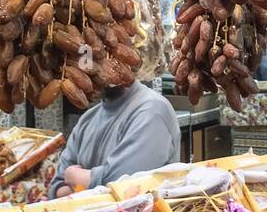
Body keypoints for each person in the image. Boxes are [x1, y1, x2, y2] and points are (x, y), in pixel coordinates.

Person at [48, 80, 181, 197]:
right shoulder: (87, 119)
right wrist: (88, 182)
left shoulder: (152, 110)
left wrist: (74, 177)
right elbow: (56, 189)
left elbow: (124, 186)